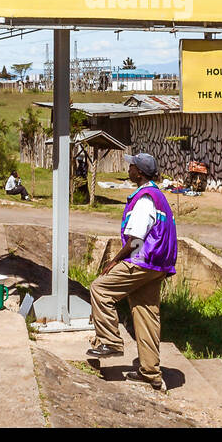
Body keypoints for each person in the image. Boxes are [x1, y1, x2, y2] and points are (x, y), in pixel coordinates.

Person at [85, 152, 178, 391]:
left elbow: (136, 239)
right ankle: (151, 373)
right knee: (146, 314)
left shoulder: (145, 199)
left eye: (132, 166)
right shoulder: (159, 196)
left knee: (100, 289)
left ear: (140, 172)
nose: (129, 169)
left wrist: (115, 260)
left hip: (144, 260)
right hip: (159, 265)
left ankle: (110, 342)